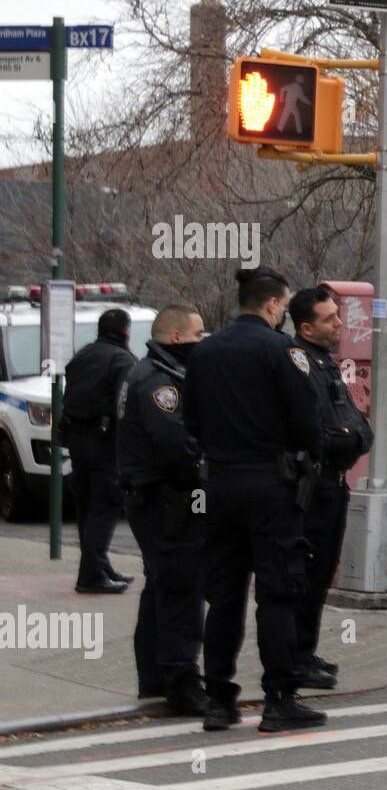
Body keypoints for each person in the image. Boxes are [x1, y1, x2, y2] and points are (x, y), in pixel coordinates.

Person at [183, 267, 323, 733]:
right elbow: (308, 422)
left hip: (219, 484)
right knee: (277, 593)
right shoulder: (284, 351)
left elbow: (192, 421)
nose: (283, 312)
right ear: (272, 305)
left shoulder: (203, 352)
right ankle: (278, 699)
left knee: (223, 596)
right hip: (270, 485)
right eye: (283, 306)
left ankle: (219, 699)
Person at [118, 304, 207, 714]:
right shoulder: (159, 382)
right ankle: (181, 681)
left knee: (160, 585)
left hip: (154, 496)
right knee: (180, 588)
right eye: (197, 334)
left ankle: (155, 677)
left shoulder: (157, 371)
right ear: (176, 337)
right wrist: (207, 473)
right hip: (165, 499)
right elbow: (175, 448)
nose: (202, 341)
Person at [289, 287, 374, 690]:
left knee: (321, 573)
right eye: (329, 318)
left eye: (338, 316)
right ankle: (294, 657)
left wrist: (356, 438)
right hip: (313, 485)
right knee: (305, 574)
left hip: (333, 485)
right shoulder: (300, 364)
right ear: (306, 327)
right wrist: (349, 440)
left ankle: (304, 651)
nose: (339, 323)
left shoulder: (325, 363)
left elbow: (355, 424)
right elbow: (318, 432)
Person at [62, 307, 137, 593]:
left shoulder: (84, 355)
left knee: (88, 506)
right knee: (105, 506)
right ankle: (91, 575)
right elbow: (124, 408)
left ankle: (98, 565)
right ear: (125, 331)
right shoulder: (122, 359)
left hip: (77, 440)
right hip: (104, 443)